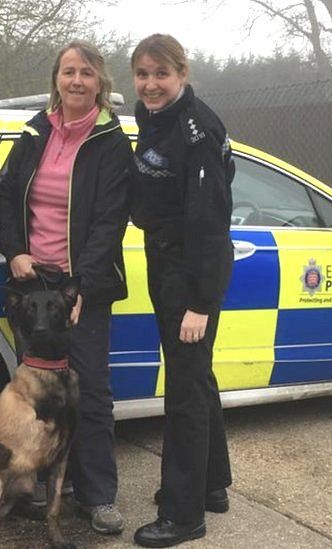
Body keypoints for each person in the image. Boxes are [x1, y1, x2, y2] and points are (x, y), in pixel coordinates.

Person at [0, 40, 132, 536]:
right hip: (32, 284)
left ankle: (98, 495)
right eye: (69, 71)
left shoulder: (111, 141)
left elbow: (109, 223)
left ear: (100, 83)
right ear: (56, 77)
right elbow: (5, 197)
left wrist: (82, 291)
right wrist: (15, 250)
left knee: (89, 391)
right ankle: (34, 483)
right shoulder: (35, 131)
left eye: (86, 73)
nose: (77, 80)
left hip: (81, 286)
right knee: (35, 392)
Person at [128, 34, 236, 548]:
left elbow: (210, 222)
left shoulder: (197, 131)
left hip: (189, 270)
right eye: (142, 74)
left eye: (161, 74)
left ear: (182, 74)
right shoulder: (154, 118)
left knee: (185, 392)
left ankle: (183, 513)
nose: (151, 84)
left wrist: (200, 303)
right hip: (166, 261)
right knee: (197, 378)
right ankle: (210, 484)